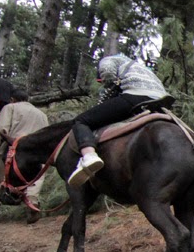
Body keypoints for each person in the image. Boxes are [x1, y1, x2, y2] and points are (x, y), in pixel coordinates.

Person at [67, 54, 169, 186]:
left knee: (81, 121)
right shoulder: (140, 67)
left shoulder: (108, 60)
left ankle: (89, 156)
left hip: (136, 94)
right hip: (160, 99)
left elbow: (109, 75)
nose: (101, 81)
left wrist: (107, 92)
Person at [0, 87, 49, 224]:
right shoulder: (41, 114)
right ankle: (33, 207)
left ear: (12, 99)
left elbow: (1, 129)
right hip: (36, 150)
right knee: (35, 179)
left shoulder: (10, 108)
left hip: (14, 148)